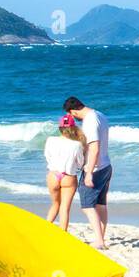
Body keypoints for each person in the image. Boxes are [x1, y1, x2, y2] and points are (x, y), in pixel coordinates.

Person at [63, 97, 112, 249]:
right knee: (100, 204)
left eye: (71, 115)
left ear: (73, 112)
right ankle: (101, 238)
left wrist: (89, 172)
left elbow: (94, 148)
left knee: (87, 205)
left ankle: (99, 240)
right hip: (106, 165)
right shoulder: (99, 115)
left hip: (95, 168)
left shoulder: (90, 121)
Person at [44, 114, 87, 232]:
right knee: (65, 208)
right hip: (68, 177)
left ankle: (44, 230)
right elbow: (80, 163)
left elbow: (47, 156)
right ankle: (63, 235)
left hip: (53, 174)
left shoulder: (50, 140)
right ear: (73, 128)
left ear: (60, 128)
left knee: (55, 204)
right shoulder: (77, 144)